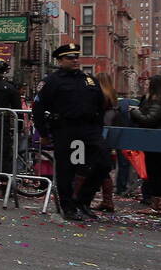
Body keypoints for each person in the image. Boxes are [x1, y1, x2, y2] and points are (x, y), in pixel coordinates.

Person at [33, 43, 111, 222]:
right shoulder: (52, 81)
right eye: (70, 57)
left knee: (104, 164)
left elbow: (101, 105)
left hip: (90, 129)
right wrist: (43, 133)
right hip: (66, 129)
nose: (75, 60)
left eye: (77, 56)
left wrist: (98, 129)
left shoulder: (89, 80)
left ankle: (83, 201)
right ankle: (68, 207)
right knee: (67, 170)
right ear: (60, 60)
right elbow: (38, 107)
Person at [128, 74, 161, 215]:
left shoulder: (157, 101)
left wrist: (135, 111)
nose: (145, 86)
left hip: (155, 140)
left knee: (156, 172)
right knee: (160, 172)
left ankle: (159, 206)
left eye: (148, 84)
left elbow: (149, 120)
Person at [94, 73, 123, 212]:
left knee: (96, 168)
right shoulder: (113, 97)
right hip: (110, 136)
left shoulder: (101, 96)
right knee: (104, 169)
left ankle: (105, 201)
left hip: (100, 134)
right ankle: (107, 200)